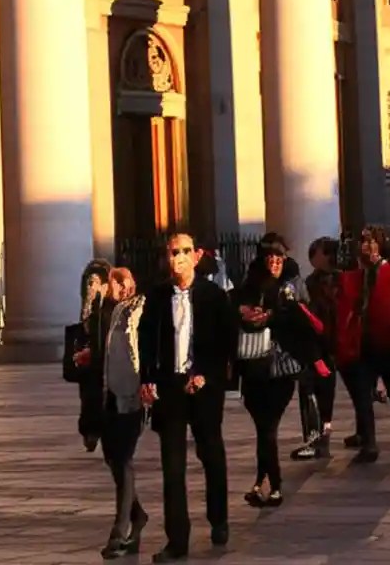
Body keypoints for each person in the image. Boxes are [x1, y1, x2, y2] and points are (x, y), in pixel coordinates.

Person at [138, 233, 235, 563]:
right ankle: (176, 539)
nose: (178, 257)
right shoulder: (157, 295)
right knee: (172, 467)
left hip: (204, 388)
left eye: (184, 251)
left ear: (196, 256)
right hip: (170, 388)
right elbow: (146, 340)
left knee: (211, 453)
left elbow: (226, 341)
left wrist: (206, 373)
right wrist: (147, 379)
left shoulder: (213, 295)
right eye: (173, 252)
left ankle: (218, 518)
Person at [335, 225, 390, 463]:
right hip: (364, 341)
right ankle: (369, 444)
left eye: (371, 242)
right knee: (362, 394)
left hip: (388, 342)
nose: (366, 246)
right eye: (363, 242)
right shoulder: (357, 274)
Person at [233, 243, 302, 508]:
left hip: (279, 370)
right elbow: (232, 313)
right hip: (253, 368)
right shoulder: (247, 288)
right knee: (263, 429)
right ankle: (262, 482)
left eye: (279, 257)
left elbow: (298, 320)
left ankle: (273, 484)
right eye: (270, 257)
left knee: (268, 429)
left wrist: (271, 316)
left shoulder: (291, 287)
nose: (275, 261)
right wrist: (244, 313)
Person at [98, 268, 149, 559]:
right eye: (113, 282)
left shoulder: (138, 308)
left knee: (123, 458)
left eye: (124, 280)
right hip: (107, 397)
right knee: (113, 459)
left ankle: (120, 531)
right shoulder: (103, 314)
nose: (119, 286)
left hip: (131, 395)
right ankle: (137, 514)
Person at [292, 236, 339, 461]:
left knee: (316, 391)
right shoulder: (313, 282)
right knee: (316, 391)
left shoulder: (326, 283)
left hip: (323, 345)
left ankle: (318, 437)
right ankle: (319, 437)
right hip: (318, 345)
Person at [73, 259, 112, 453]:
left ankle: (98, 429)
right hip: (89, 358)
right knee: (88, 396)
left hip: (104, 357)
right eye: (89, 282)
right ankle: (90, 430)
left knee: (100, 396)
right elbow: (85, 325)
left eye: (95, 281)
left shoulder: (108, 305)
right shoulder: (88, 304)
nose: (92, 286)